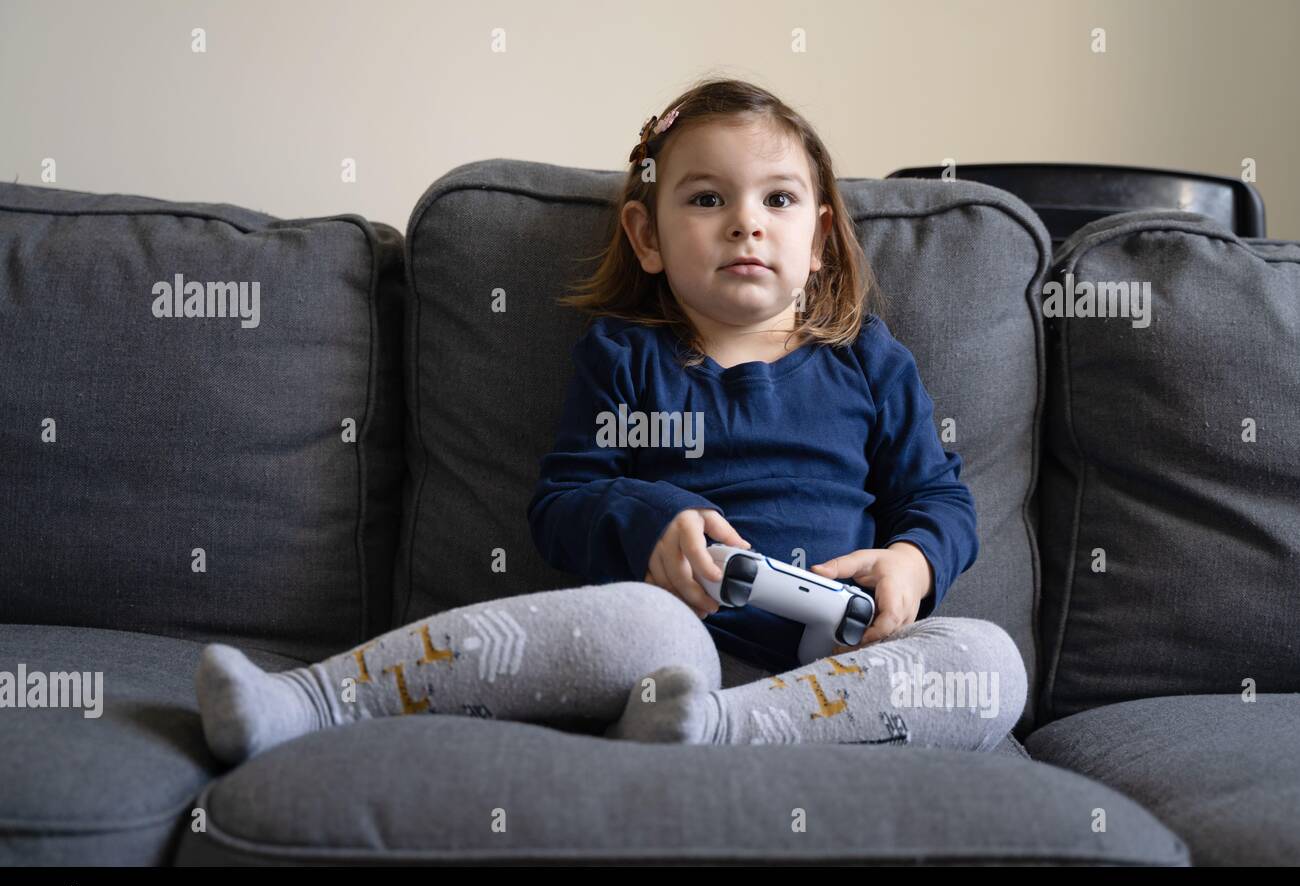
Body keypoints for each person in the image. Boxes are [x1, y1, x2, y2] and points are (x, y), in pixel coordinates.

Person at [195, 78, 1026, 765]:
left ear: (819, 242)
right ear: (648, 235)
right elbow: (563, 503)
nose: (746, 221)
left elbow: (938, 498)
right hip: (672, 640)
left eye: (779, 198)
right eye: (707, 198)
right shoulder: (626, 356)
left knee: (989, 664)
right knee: (644, 623)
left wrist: (912, 565)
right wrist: (648, 519)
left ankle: (725, 732)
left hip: (830, 659)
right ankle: (308, 702)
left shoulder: (867, 358)